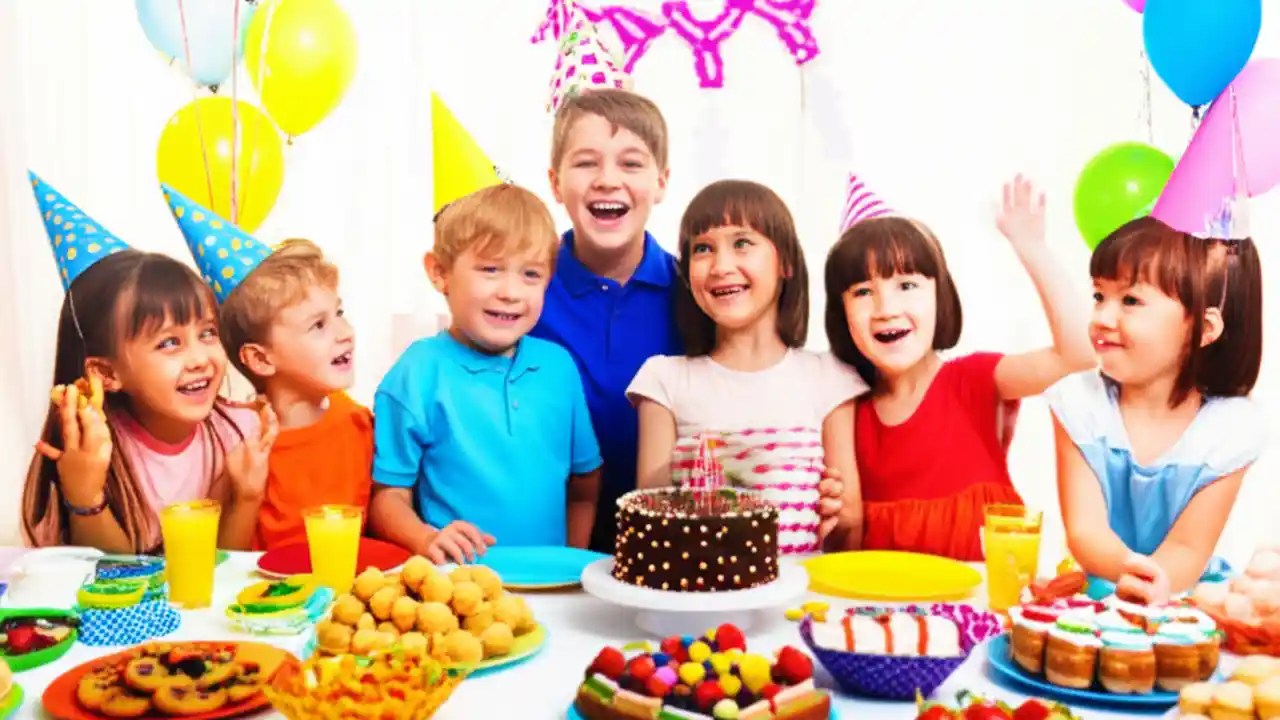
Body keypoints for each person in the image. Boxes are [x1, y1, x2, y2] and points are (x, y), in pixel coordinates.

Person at [824, 175, 1094, 559]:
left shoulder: (975, 380)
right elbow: (846, 557)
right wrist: (837, 522)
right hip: (892, 616)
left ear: (941, 296)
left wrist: (1030, 246)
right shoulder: (846, 413)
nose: (886, 309)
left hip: (983, 610)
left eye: (906, 285)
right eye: (863, 292)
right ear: (842, 314)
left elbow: (1080, 356)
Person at [23, 173, 274, 553]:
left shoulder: (234, 432)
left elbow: (215, 570)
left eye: (207, 332)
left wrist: (248, 496)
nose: (200, 359)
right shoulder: (89, 449)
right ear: (106, 373)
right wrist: (85, 494)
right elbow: (108, 584)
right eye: (170, 342)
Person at [369, 184, 602, 564]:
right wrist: (426, 539)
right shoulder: (417, 371)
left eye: (530, 274)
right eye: (490, 269)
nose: (510, 292)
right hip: (458, 590)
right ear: (439, 272)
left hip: (552, 588)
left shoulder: (559, 367)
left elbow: (584, 486)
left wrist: (571, 563)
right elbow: (387, 497)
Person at [629, 179, 865, 553]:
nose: (722, 266)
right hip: (697, 604)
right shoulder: (663, 379)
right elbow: (651, 526)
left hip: (796, 606)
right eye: (703, 249)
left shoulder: (829, 377)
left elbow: (846, 539)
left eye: (742, 243)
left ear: (785, 262)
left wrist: (845, 518)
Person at [1048, 216, 1264, 604]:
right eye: (1099, 296)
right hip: (1101, 585)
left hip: (1182, 597)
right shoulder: (1079, 405)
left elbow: (1188, 549)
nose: (1102, 318)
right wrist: (1128, 574)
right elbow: (1085, 530)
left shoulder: (1230, 430)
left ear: (1203, 329)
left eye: (1130, 300)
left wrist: (1151, 585)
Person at [164, 185, 372, 551]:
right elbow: (225, 560)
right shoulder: (238, 444)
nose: (345, 333)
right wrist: (246, 494)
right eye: (318, 325)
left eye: (338, 313)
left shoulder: (360, 423)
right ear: (260, 359)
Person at [531, 88, 683, 553]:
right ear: (555, 183)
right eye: (586, 163)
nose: (607, 180)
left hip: (667, 545)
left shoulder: (695, 294)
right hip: (541, 543)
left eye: (631, 163)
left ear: (661, 181)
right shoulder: (522, 290)